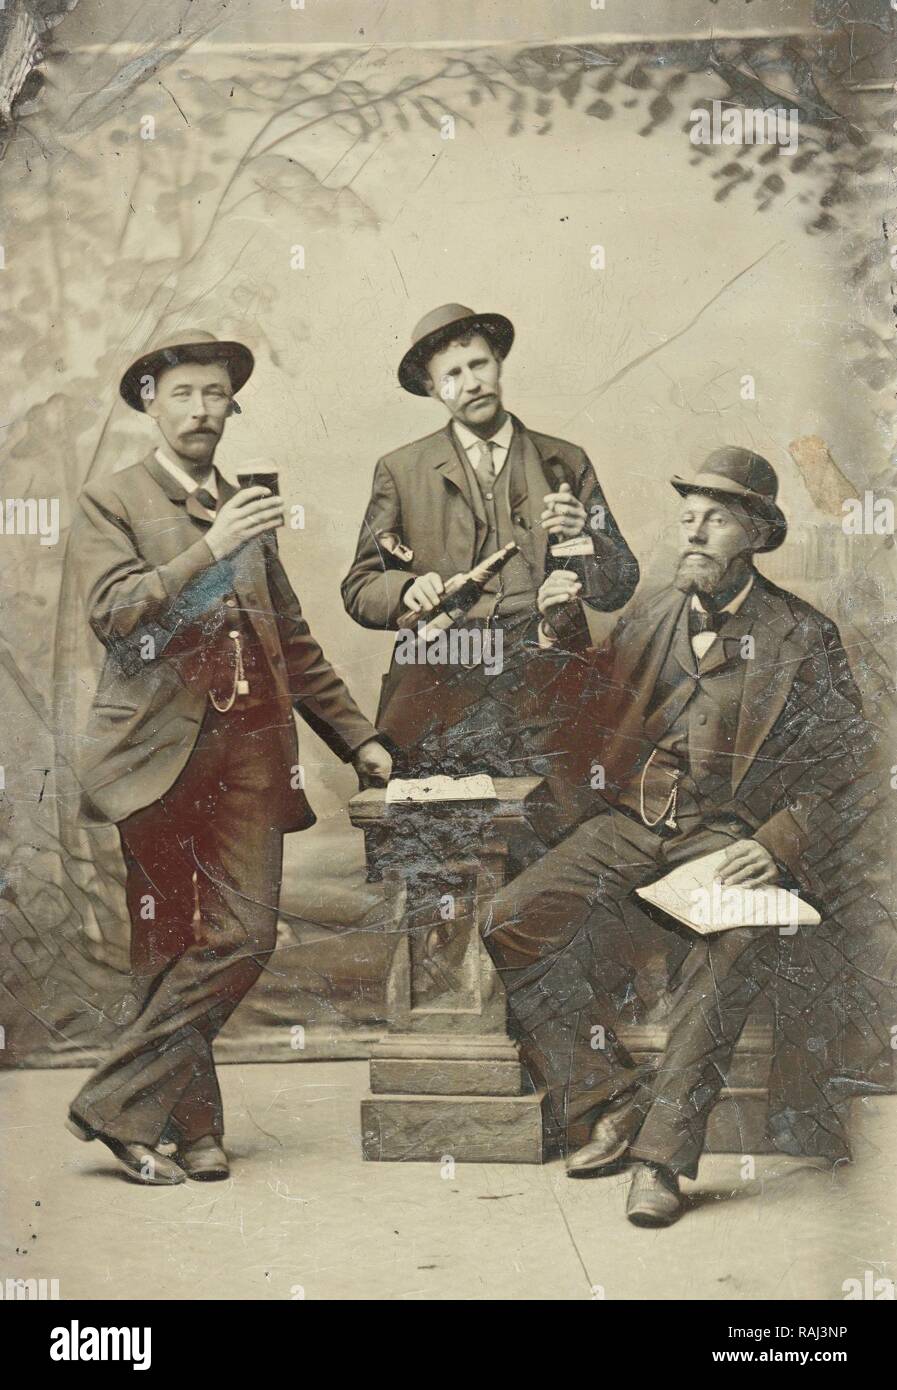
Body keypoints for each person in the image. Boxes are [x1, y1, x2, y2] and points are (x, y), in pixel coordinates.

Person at [483, 447, 870, 1227]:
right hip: (631, 824)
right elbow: (581, 712)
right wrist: (558, 632)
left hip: (725, 839)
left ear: (756, 534)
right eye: (686, 517)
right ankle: (607, 1097)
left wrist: (782, 838)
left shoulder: (800, 633)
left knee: (731, 948)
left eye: (715, 519)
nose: (692, 533)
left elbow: (848, 761)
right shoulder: (651, 611)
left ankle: (659, 1159)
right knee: (510, 919)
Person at [67, 329, 391, 1185]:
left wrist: (358, 737)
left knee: (243, 936)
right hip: (153, 750)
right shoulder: (113, 499)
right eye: (184, 395)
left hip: (250, 750)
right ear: (149, 404)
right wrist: (208, 551)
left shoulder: (246, 503)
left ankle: (113, 1102)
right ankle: (193, 1128)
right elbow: (116, 613)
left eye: (216, 395)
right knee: (169, 942)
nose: (203, 410)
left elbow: (291, 640)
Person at [341, 303, 639, 777]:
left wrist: (585, 535)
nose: (472, 382)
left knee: (557, 832)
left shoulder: (564, 461)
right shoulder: (400, 471)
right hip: (438, 683)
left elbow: (618, 587)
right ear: (431, 389)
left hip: (548, 686)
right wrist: (402, 590)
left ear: (498, 364)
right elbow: (360, 587)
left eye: (479, 364)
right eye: (451, 375)